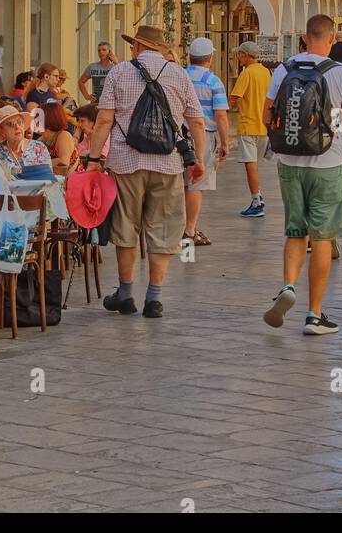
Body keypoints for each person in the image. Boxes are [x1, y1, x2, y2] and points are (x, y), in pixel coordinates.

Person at [86, 25, 206, 319]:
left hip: (126, 162)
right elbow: (197, 122)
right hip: (167, 162)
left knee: (126, 225)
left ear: (138, 46)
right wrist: (198, 159)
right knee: (163, 227)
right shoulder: (179, 74)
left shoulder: (119, 72)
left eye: (132, 46)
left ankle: (125, 293)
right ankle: (154, 297)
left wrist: (93, 159)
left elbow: (103, 121)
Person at [262, 14, 342, 336]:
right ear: (332, 39)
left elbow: (267, 115)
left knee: (295, 230)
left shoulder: (283, 69)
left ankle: (288, 285)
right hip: (328, 164)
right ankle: (314, 315)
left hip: (290, 162)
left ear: (304, 38)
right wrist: (336, 127)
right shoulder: (340, 74)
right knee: (321, 237)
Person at [183, 38, 230, 247]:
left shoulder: (179, 76)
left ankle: (178, 226)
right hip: (203, 136)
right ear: (210, 58)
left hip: (177, 136)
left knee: (181, 183)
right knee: (196, 184)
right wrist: (225, 143)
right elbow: (220, 116)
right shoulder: (213, 82)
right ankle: (189, 230)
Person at [228, 41, 272, 217]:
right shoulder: (266, 72)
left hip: (248, 125)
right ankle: (257, 196)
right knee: (256, 164)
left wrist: (229, 108)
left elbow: (234, 98)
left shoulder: (246, 74)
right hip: (263, 127)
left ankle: (257, 200)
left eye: (239, 54)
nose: (238, 57)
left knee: (250, 165)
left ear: (246, 55)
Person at [0, 105, 52, 177]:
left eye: (19, 121)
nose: (17, 127)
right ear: (2, 131)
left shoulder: (39, 148)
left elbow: (49, 180)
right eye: (10, 124)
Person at [39, 101, 77, 175]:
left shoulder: (63, 136)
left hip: (72, 182)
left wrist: (39, 163)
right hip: (56, 181)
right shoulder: (44, 138)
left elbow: (63, 162)